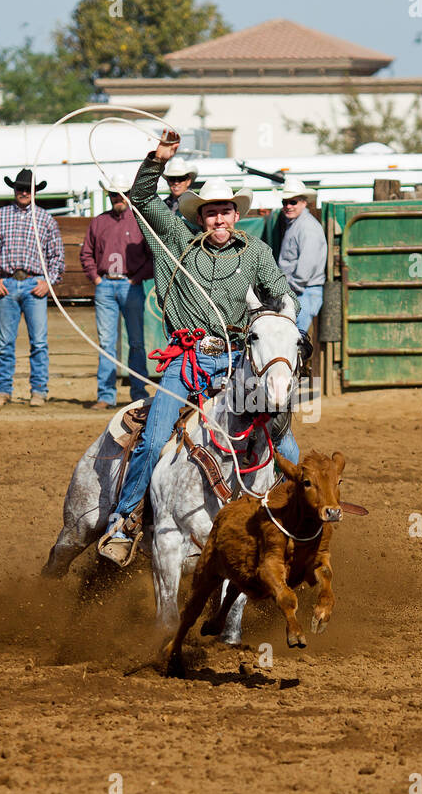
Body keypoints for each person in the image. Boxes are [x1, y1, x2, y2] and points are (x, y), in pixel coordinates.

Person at [97, 132, 299, 567]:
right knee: (153, 441)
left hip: (237, 360)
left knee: (285, 444)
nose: (219, 219)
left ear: (236, 214)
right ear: (201, 215)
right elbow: (142, 199)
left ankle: (290, 526)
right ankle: (126, 519)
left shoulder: (257, 253)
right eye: (211, 212)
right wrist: (157, 159)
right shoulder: (176, 241)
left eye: (225, 211)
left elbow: (283, 296)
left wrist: (281, 319)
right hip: (187, 360)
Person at [0, 168, 64, 408]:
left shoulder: (45, 219)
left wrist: (49, 282)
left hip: (35, 284)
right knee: (4, 343)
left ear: (35, 192)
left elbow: (57, 256)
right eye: (20, 188)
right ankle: (3, 391)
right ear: (14, 190)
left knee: (39, 342)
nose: (24, 192)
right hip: (7, 283)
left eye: (28, 189)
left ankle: (38, 391)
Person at [81, 173, 154, 409]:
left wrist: (137, 278)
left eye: (121, 194)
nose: (117, 198)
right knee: (107, 342)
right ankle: (106, 395)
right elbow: (86, 254)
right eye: (114, 194)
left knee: (136, 341)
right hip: (107, 284)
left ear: (129, 196)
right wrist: (96, 278)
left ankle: (138, 391)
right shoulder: (99, 222)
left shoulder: (140, 222)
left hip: (129, 284)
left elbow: (153, 256)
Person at [272, 177, 326, 335]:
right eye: (285, 202)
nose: (288, 206)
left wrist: (288, 290)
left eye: (293, 202)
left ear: (304, 202)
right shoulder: (297, 224)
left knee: (295, 340)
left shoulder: (307, 227)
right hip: (299, 291)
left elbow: (306, 266)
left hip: (302, 291)